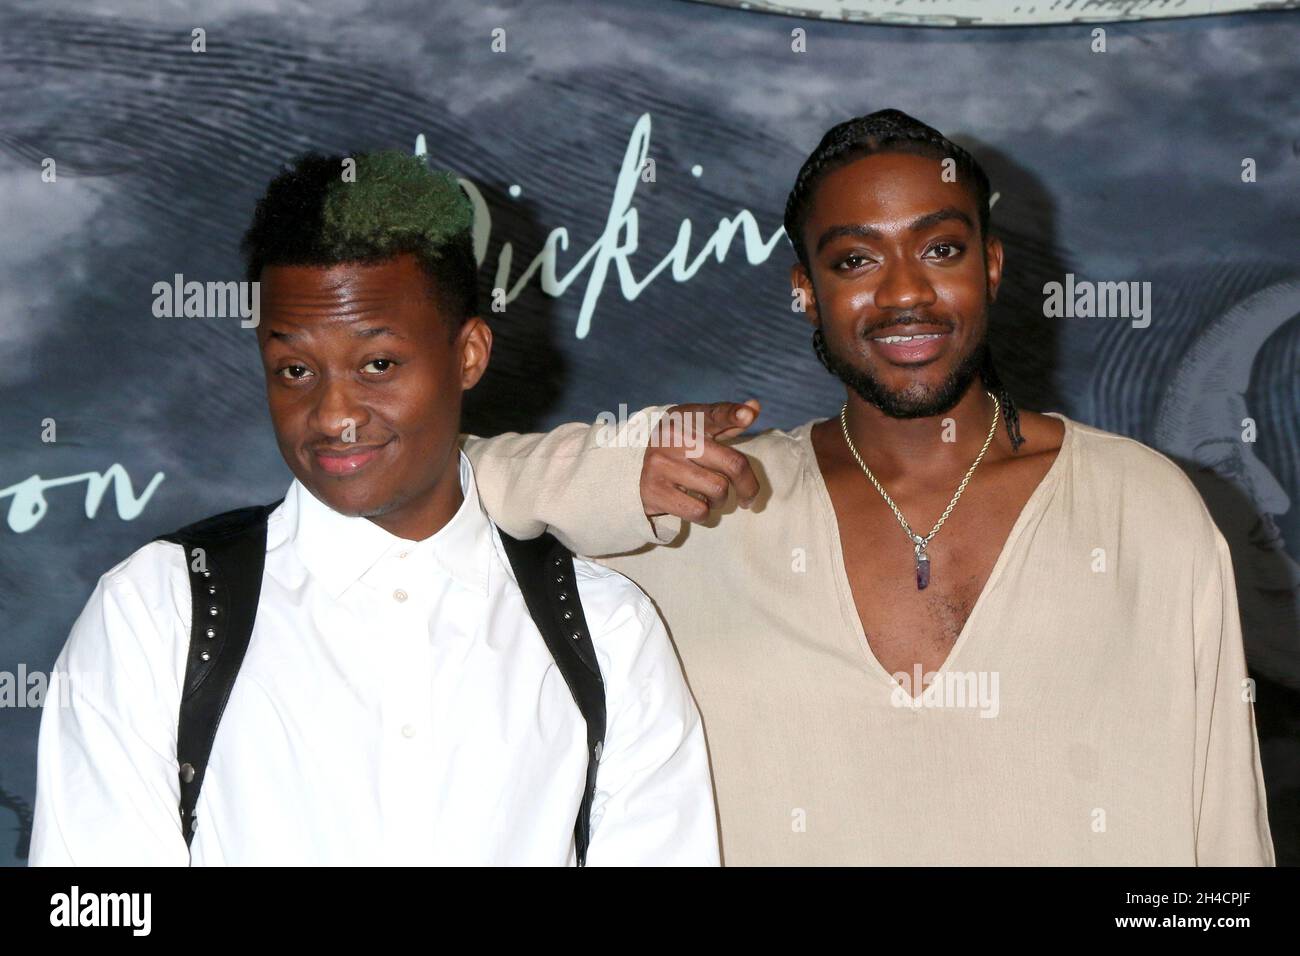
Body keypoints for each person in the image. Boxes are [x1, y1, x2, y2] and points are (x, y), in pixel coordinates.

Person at [463, 109, 1275, 865]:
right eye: (855, 259)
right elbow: (424, 491)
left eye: (941, 249)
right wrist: (611, 467)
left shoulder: (1143, 508)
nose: (904, 293)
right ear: (805, 291)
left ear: (991, 268)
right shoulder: (703, 508)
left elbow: (1224, 832)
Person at [30, 151, 718, 866]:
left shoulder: (605, 629)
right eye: (295, 369)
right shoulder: (159, 610)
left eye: (378, 365)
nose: (333, 416)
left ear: (470, 354)